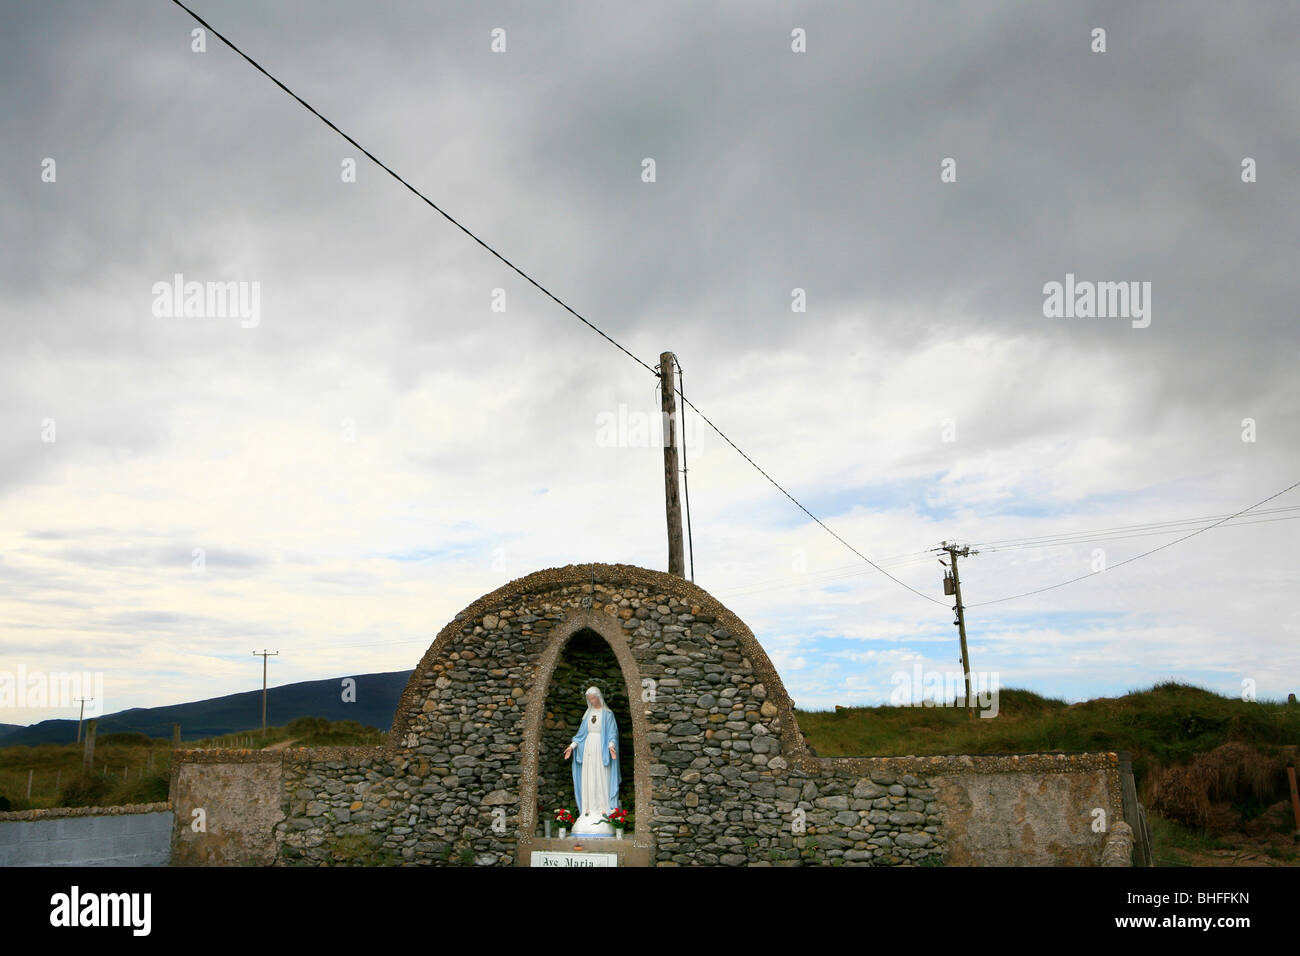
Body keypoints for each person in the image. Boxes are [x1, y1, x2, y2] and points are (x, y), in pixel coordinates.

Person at [563, 686, 620, 835]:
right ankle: (587, 810)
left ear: (599, 697)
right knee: (588, 778)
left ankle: (603, 810)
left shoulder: (608, 714)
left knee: (601, 778)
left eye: (593, 698)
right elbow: (581, 735)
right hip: (588, 748)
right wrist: (572, 746)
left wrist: (612, 746)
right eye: (589, 699)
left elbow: (612, 733)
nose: (591, 701)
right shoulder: (587, 714)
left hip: (601, 750)